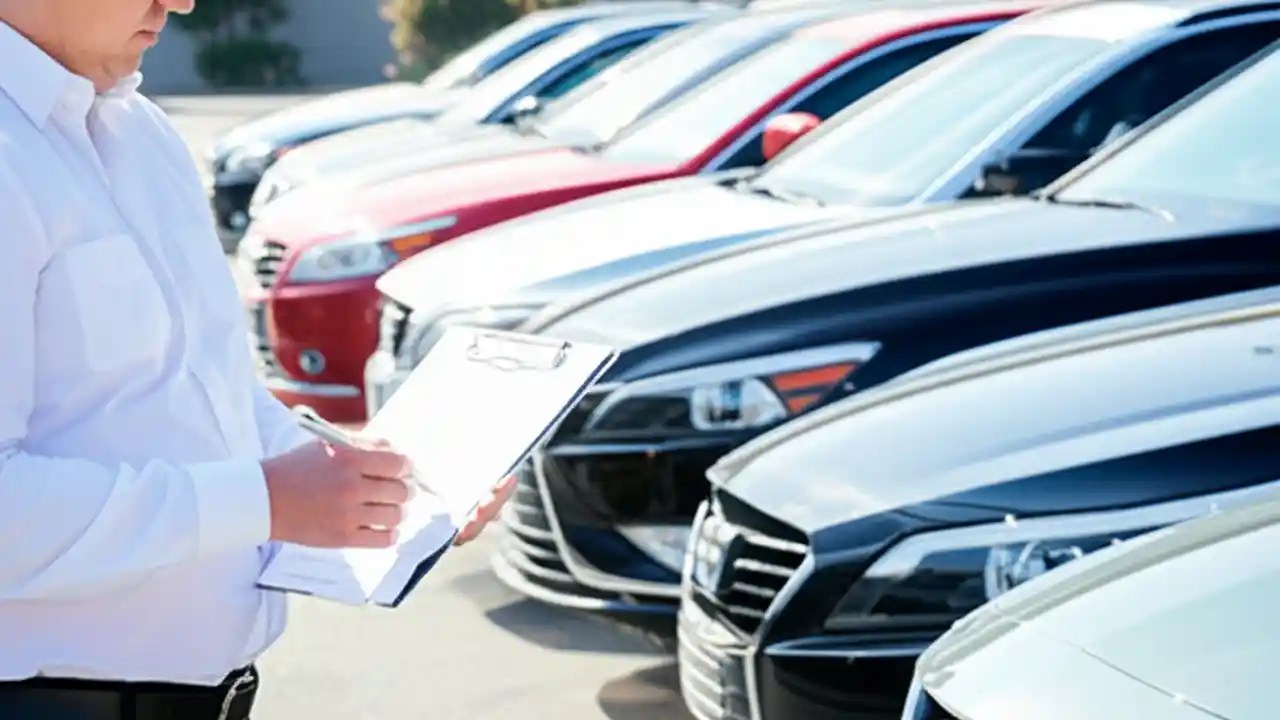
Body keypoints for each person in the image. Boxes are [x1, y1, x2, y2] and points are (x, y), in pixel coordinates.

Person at [0, 1, 517, 718]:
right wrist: (265, 500)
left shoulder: (141, 131)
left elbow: (210, 400)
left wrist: (379, 483)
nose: (179, 1)